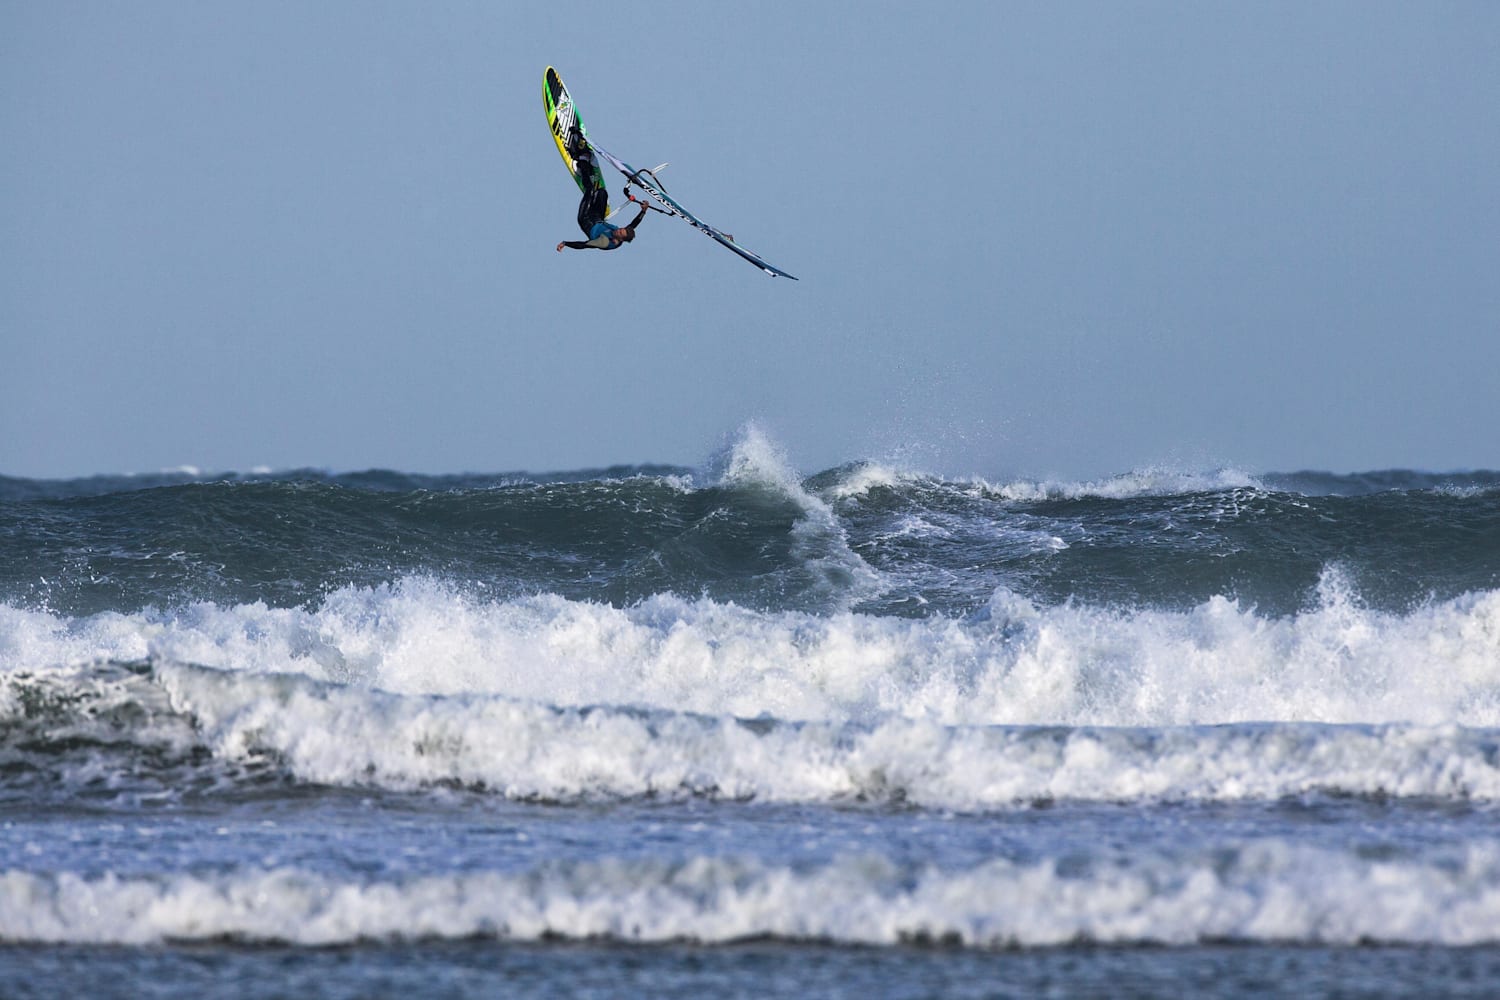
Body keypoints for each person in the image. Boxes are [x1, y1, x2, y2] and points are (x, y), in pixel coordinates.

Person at [555, 129, 648, 253]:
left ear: (620, 239)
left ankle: (581, 161)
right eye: (621, 229)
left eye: (620, 232)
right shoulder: (624, 233)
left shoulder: (604, 243)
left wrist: (565, 243)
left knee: (590, 190)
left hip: (586, 219)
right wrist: (643, 211)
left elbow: (584, 245)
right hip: (598, 217)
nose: (618, 230)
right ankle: (588, 162)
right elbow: (633, 225)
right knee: (602, 192)